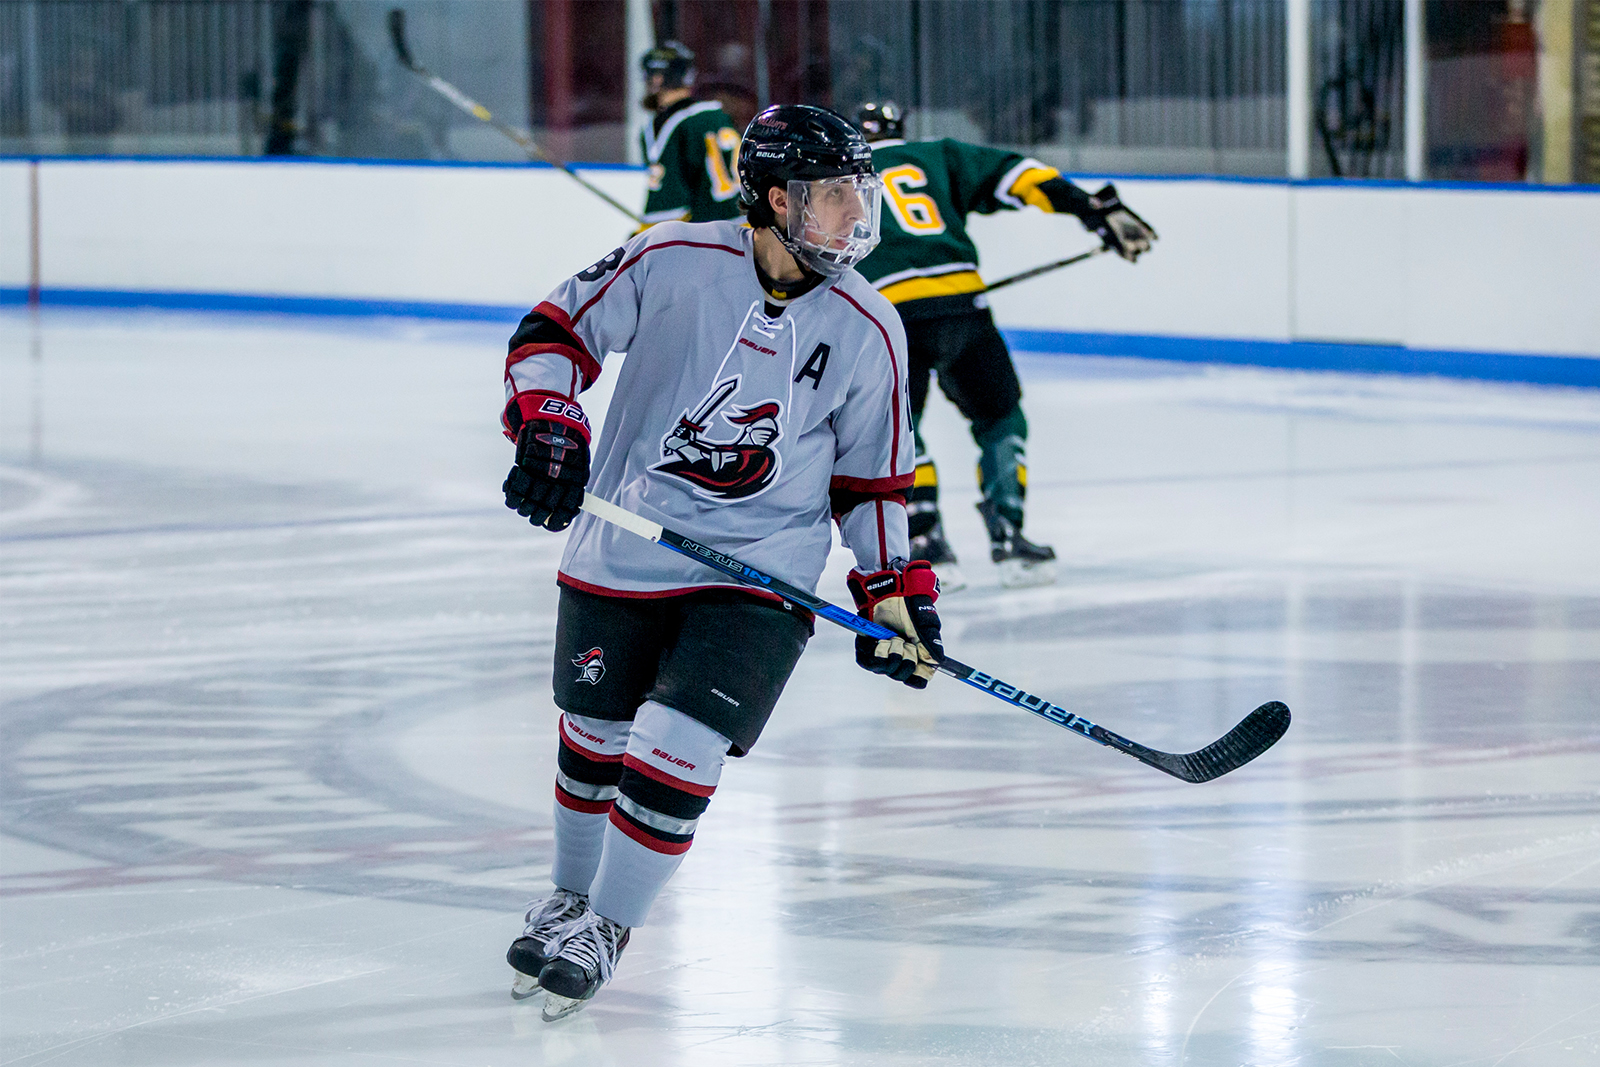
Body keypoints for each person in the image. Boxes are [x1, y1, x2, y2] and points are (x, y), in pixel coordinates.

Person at [498, 104, 944, 1021]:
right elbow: (552, 334)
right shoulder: (669, 258)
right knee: (593, 740)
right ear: (776, 200)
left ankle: (610, 923)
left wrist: (894, 591)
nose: (856, 220)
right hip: (626, 544)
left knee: (681, 741)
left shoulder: (871, 324)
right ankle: (570, 898)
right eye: (833, 200)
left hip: (759, 576)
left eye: (860, 197)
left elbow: (875, 483)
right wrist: (549, 422)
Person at [852, 101, 1157, 589]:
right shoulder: (938, 154)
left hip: (890, 318)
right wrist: (1094, 211)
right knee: (999, 416)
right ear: (901, 128)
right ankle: (1010, 535)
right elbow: (1021, 176)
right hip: (963, 310)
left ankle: (927, 540)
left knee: (900, 428)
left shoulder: (843, 175)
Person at [637, 41, 744, 227]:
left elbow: (667, 213)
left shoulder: (670, 126)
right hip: (745, 226)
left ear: (656, 78)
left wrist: (642, 235)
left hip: (708, 236)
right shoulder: (716, 115)